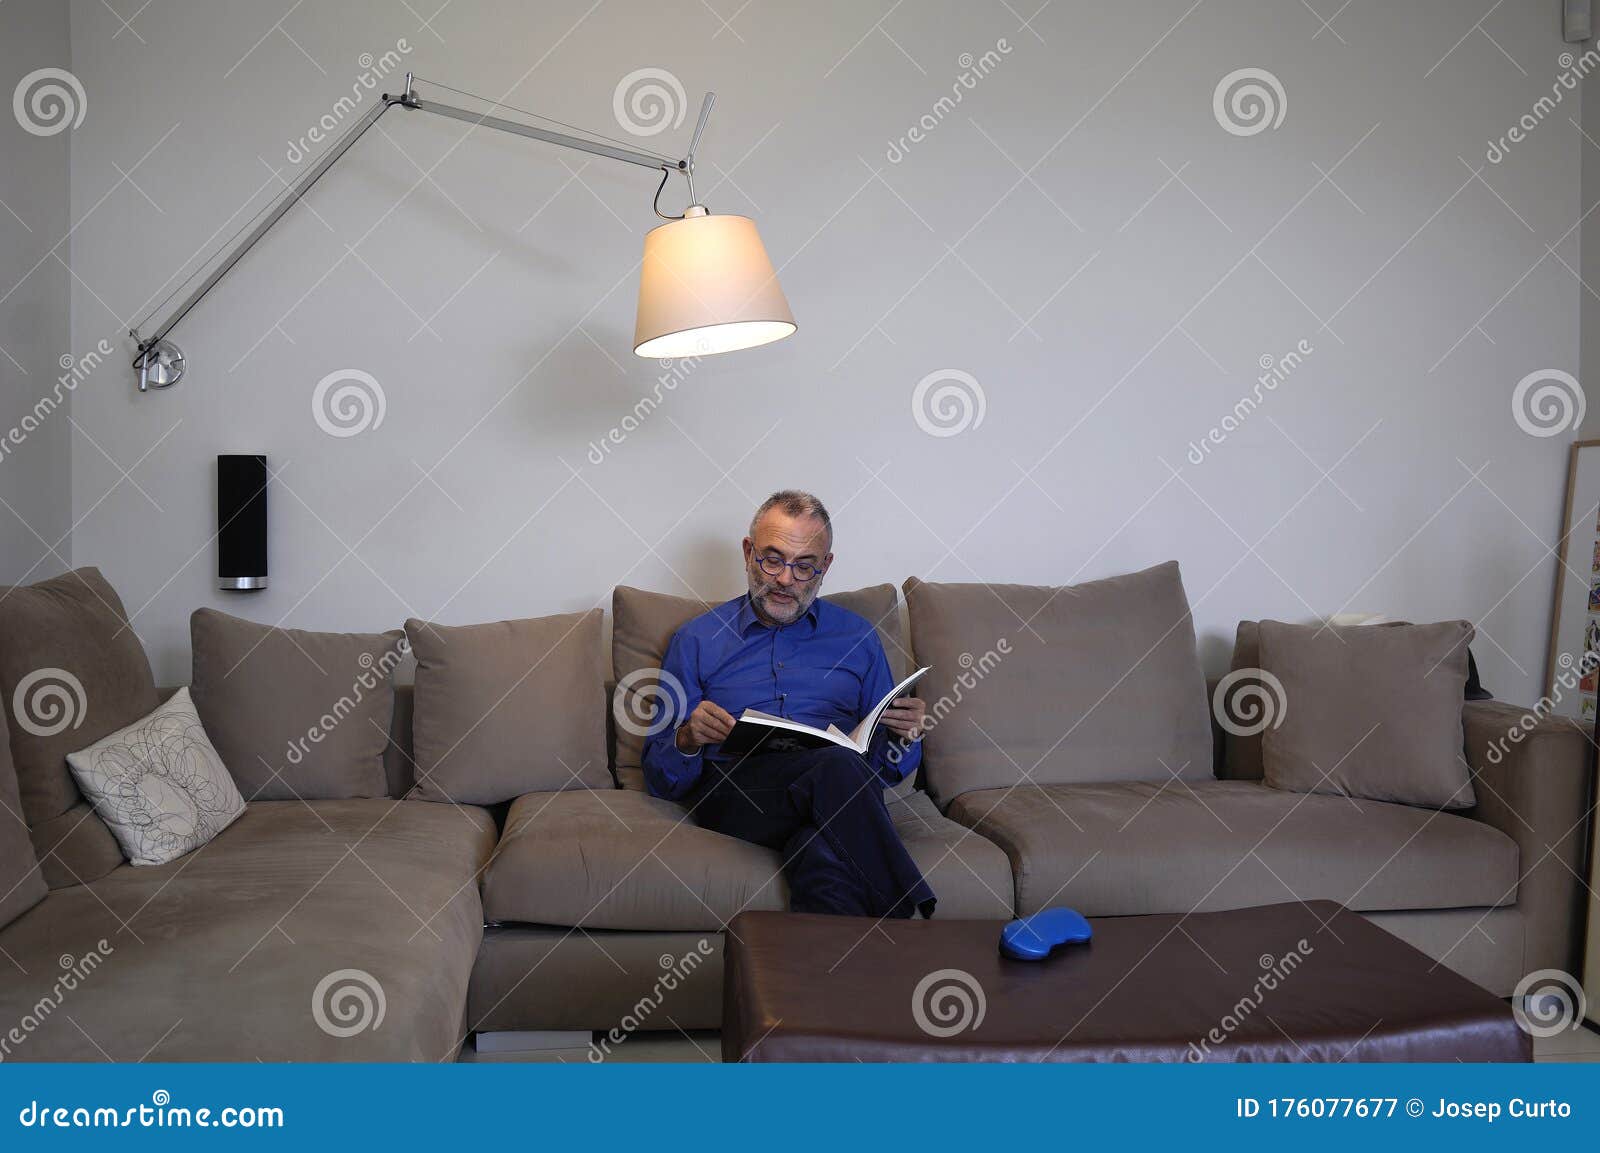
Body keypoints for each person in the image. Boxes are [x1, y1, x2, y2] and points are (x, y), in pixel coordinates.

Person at [642, 490, 935, 918]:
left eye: (804, 566)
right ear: (747, 552)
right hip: (738, 794)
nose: (784, 579)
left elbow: (885, 769)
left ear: (826, 567)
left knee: (818, 850)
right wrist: (687, 738)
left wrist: (903, 738)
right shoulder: (697, 639)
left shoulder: (857, 638)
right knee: (834, 768)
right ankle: (907, 910)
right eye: (772, 560)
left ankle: (826, 979)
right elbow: (660, 777)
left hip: (835, 792)